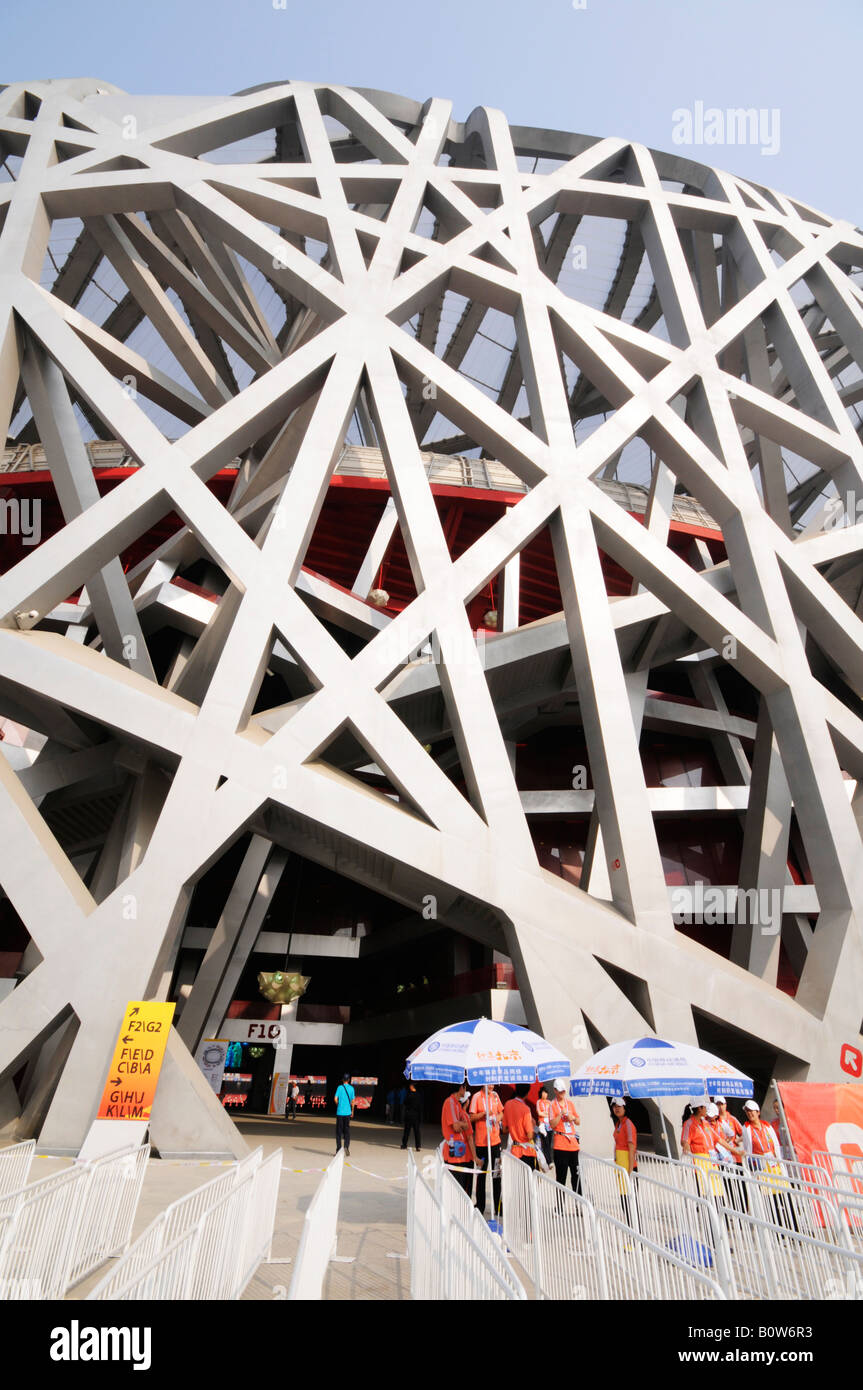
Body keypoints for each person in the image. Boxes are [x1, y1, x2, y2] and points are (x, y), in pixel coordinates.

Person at [469, 1084, 504, 1216]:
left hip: (495, 1142)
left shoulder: (495, 1096)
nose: (492, 1086)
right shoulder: (476, 1097)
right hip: (481, 1143)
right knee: (481, 1175)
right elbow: (471, 1117)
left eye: (493, 1084)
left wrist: (496, 1118)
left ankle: (498, 1206)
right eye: (489, 1084)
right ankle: (480, 1205)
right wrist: (482, 1115)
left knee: (496, 1174)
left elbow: (501, 1112)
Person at [441, 1081, 477, 1196]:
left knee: (462, 1188)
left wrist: (462, 1124)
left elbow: (463, 1125)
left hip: (460, 1153)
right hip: (455, 1154)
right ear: (461, 1088)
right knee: (456, 1188)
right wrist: (463, 1124)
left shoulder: (456, 1104)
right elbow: (457, 1127)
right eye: (465, 1088)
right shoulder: (450, 1102)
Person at [549, 1078, 580, 1193]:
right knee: (561, 1178)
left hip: (572, 1144)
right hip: (560, 1145)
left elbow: (578, 1121)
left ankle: (580, 1205)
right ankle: (560, 1207)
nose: (562, 1093)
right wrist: (560, 1115)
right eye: (560, 1091)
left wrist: (573, 1118)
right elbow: (552, 1124)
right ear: (555, 1090)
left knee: (576, 1177)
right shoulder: (552, 1105)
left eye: (563, 1091)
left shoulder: (570, 1104)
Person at [611, 1098, 636, 1225]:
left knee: (630, 1201)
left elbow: (632, 1148)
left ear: (625, 1108)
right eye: (614, 1105)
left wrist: (630, 1171)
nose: (617, 1108)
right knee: (623, 1199)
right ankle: (630, 1226)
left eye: (620, 1106)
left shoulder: (628, 1124)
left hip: (628, 1166)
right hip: (620, 1166)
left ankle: (635, 1229)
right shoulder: (618, 1124)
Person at [502, 1084, 536, 1168]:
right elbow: (530, 1135)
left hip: (514, 1151)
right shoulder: (526, 1109)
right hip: (527, 1151)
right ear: (527, 1093)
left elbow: (504, 1130)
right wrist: (533, 1126)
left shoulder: (507, 1104)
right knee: (528, 1180)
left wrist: (514, 1127)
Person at [334, 1073, 355, 1157]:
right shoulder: (351, 1088)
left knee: (338, 1132)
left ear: (343, 1079)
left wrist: (338, 1105)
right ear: (349, 1080)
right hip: (347, 1113)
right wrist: (352, 1111)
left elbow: (335, 1099)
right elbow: (353, 1101)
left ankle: (338, 1149)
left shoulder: (339, 1087)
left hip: (340, 1112)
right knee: (347, 1131)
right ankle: (346, 1146)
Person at [401, 1081, 423, 1151]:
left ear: (412, 1086)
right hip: (416, 1115)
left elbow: (405, 1102)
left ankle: (404, 1145)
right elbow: (420, 1106)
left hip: (409, 1115)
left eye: (410, 1085)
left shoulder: (409, 1095)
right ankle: (418, 1146)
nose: (409, 1087)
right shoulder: (419, 1095)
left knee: (407, 1131)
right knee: (416, 1132)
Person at [536, 1086, 554, 1168]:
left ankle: (548, 1159)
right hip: (543, 1125)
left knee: (549, 1142)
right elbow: (539, 1113)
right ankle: (549, 1161)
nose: (545, 1094)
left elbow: (552, 1113)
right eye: (543, 1092)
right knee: (545, 1142)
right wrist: (546, 1114)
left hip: (549, 1124)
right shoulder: (538, 1102)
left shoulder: (549, 1102)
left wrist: (546, 1114)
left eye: (546, 1093)